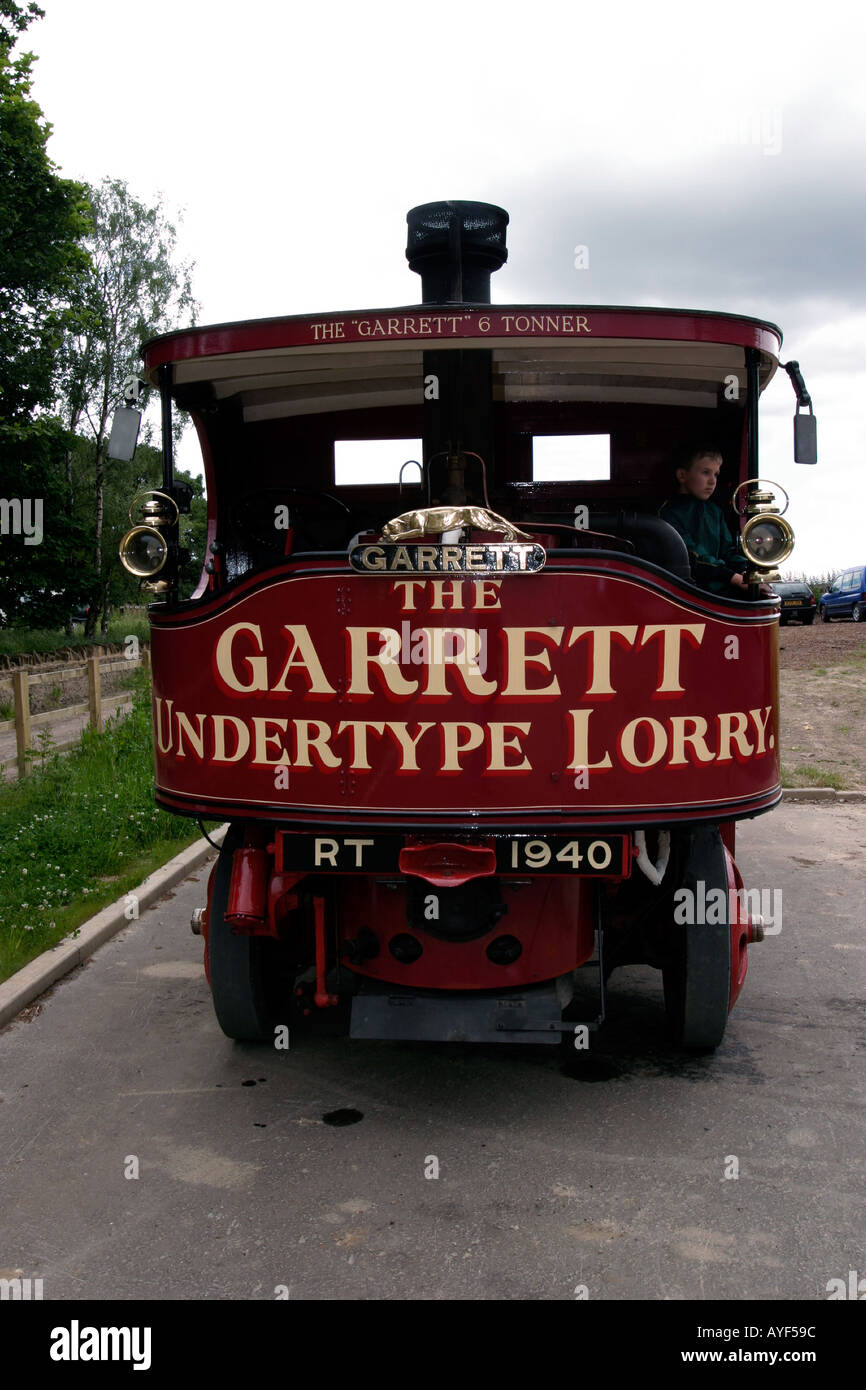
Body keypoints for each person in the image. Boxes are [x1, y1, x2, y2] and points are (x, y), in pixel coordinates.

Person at [659, 446, 759, 595]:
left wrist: (747, 571)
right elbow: (690, 556)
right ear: (682, 475)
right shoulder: (668, 513)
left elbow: (728, 550)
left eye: (716, 474)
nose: (712, 481)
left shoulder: (715, 511)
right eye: (705, 473)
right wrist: (733, 577)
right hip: (689, 590)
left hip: (722, 588)